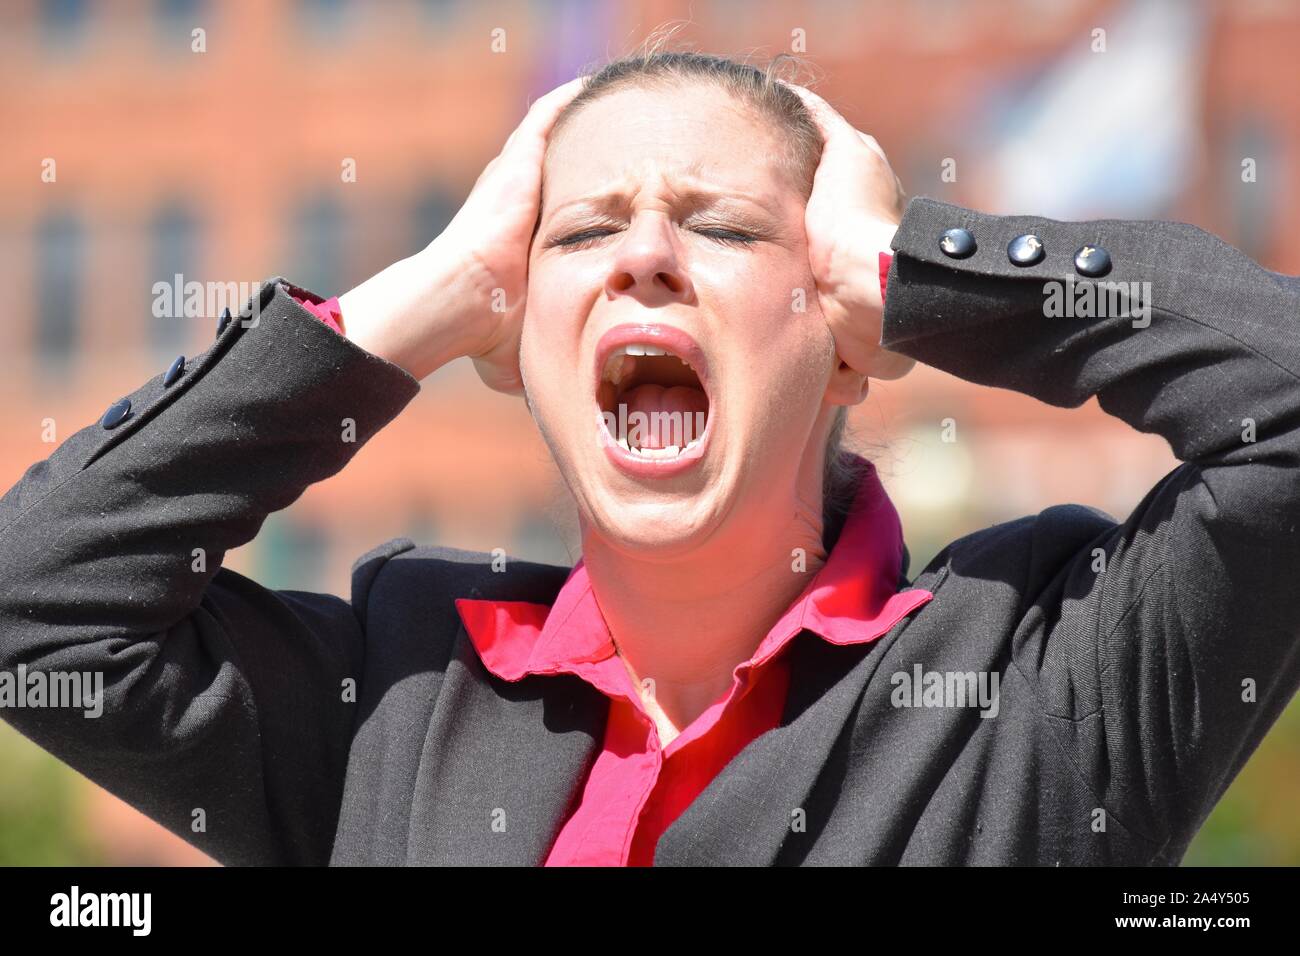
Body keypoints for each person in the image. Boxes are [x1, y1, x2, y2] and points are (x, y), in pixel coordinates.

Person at [1, 50, 1297, 866]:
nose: (644, 257)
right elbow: (35, 608)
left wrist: (921, 270)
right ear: (516, 347)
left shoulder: (1043, 686)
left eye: (722, 226)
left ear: (851, 344)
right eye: (580, 235)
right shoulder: (393, 700)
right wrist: (432, 294)